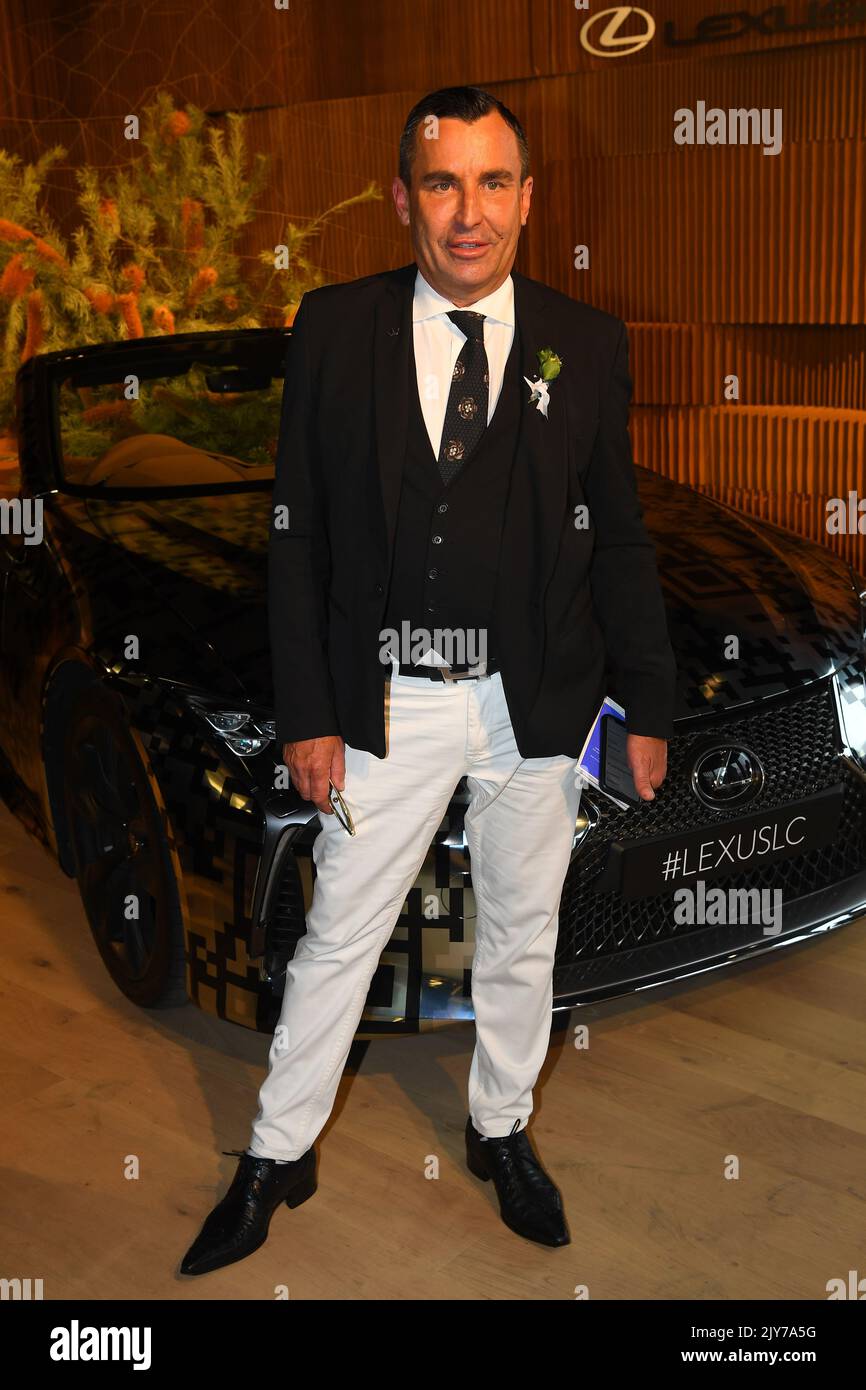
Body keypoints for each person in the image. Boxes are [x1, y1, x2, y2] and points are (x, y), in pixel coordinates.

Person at [181, 84, 676, 1277]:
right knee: (339, 932)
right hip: (387, 701)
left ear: (526, 197)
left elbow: (617, 537)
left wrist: (647, 706)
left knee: (520, 935)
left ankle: (498, 1130)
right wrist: (308, 708)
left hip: (536, 705)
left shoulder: (584, 341)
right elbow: (295, 535)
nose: (470, 213)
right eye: (443, 183)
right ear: (404, 197)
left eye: (493, 182)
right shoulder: (334, 327)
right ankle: (273, 1154)